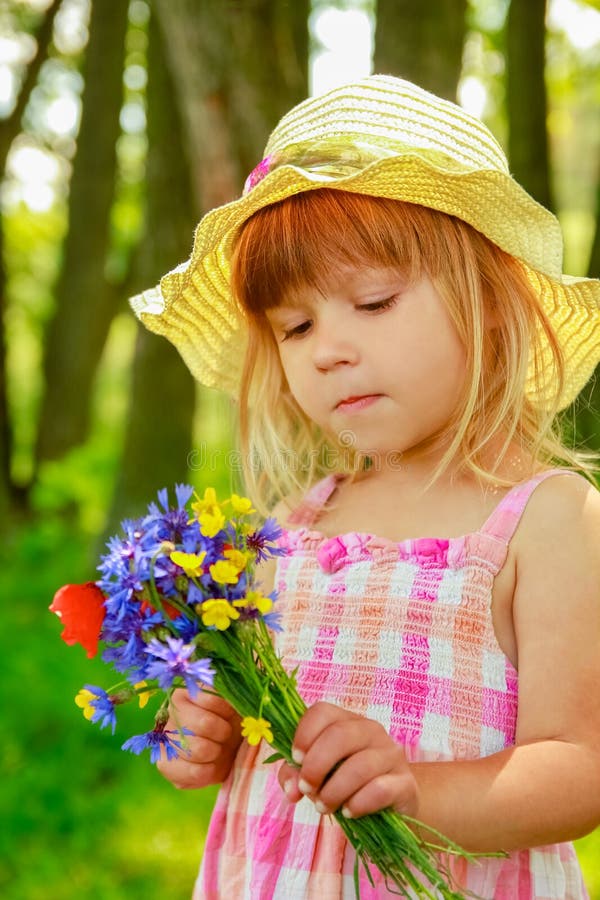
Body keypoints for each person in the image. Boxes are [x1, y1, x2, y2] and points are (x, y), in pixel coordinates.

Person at [130, 75, 600, 899]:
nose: (326, 350)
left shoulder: (548, 519)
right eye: (296, 326)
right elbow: (238, 731)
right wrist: (193, 732)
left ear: (491, 303)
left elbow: (579, 769)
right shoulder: (293, 524)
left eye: (373, 301)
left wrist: (416, 789)